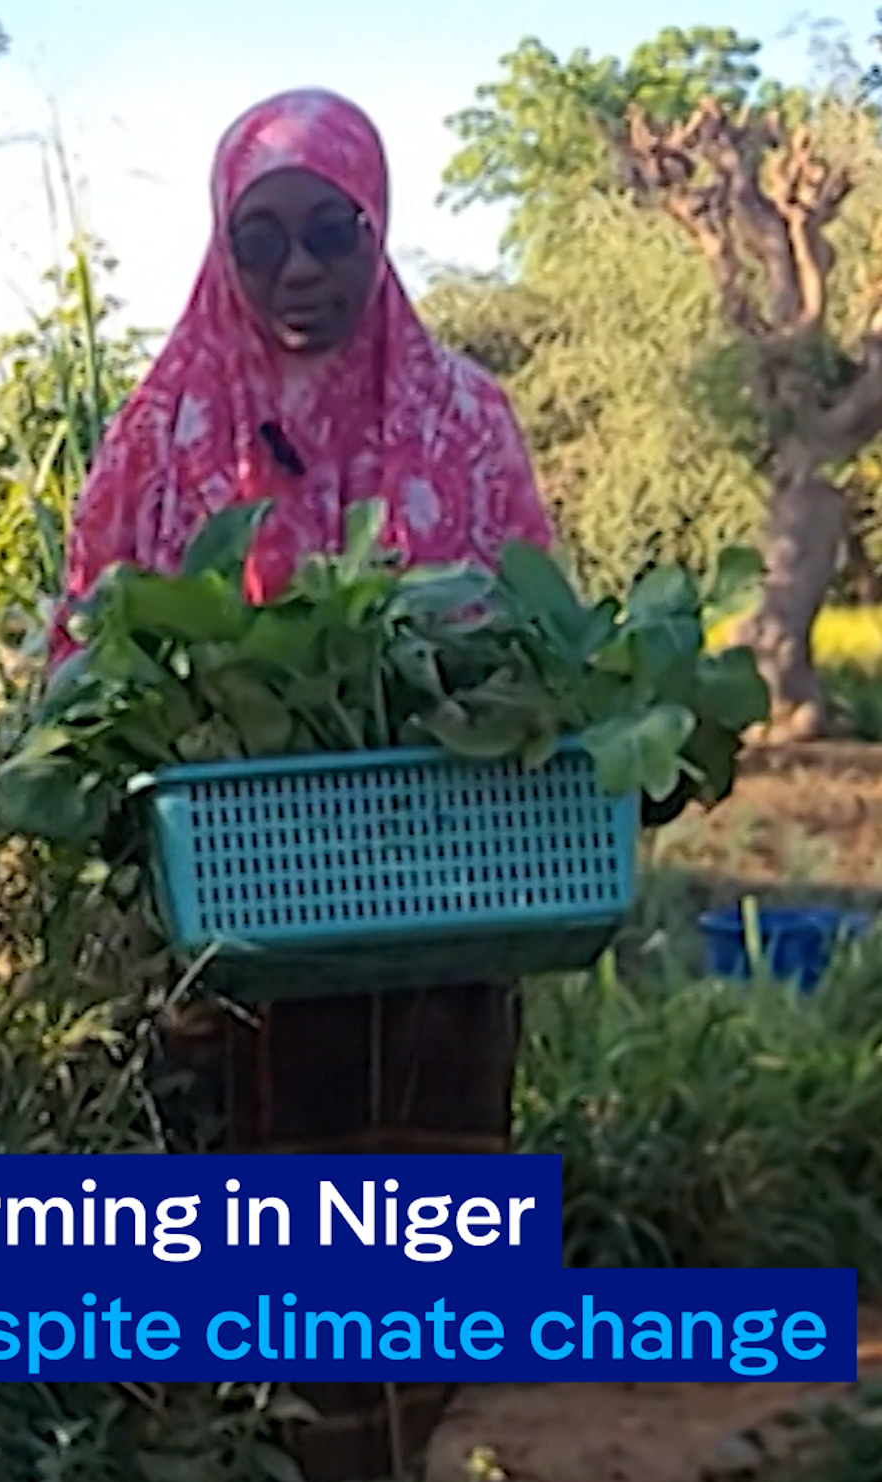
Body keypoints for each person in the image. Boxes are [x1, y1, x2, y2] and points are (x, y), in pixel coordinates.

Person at [49, 87, 554, 1158]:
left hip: (437, 935)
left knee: (424, 1255)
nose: (300, 270)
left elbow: (540, 651)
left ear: (377, 223)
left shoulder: (465, 422)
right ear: (221, 242)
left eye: (333, 233)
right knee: (229, 1256)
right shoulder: (158, 436)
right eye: (262, 239)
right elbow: (82, 661)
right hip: (219, 946)